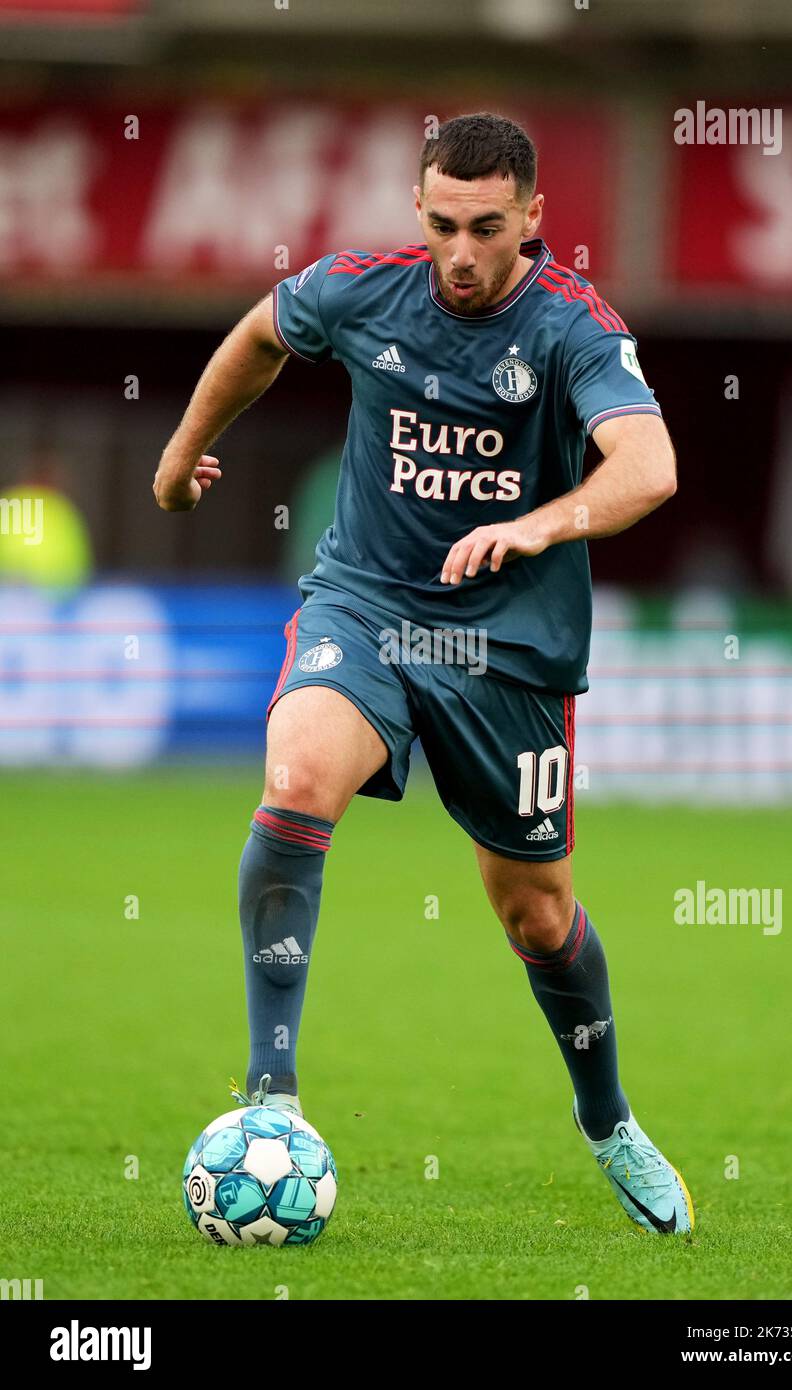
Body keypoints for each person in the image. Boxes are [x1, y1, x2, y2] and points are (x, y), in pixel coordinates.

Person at [153, 112, 692, 1236]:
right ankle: (272, 1094)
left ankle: (605, 1119)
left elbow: (647, 464)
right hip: (371, 607)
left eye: (485, 227)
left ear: (533, 219)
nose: (460, 250)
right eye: (442, 223)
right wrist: (176, 452)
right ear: (419, 211)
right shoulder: (361, 288)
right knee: (297, 776)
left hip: (508, 651)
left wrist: (545, 524)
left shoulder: (571, 327)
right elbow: (259, 334)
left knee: (536, 915)